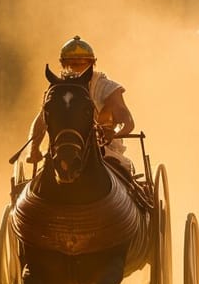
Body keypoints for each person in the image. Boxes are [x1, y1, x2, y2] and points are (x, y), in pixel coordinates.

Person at [26, 35, 138, 178]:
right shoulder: (57, 90)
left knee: (124, 174)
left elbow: (128, 122)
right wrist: (34, 148)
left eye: (80, 64)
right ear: (63, 64)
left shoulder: (106, 87)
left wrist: (112, 134)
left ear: (91, 64)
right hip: (62, 148)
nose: (75, 68)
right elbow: (43, 118)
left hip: (104, 149)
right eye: (70, 64)